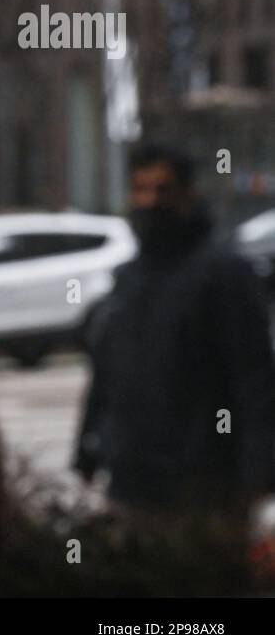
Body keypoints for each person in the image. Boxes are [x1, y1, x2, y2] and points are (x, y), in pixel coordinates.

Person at [75, 142, 275, 515]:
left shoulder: (224, 273)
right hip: (132, 479)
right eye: (140, 189)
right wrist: (87, 449)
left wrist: (259, 473)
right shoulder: (130, 277)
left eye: (161, 190)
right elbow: (108, 371)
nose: (150, 201)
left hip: (206, 483)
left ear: (187, 194)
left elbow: (254, 378)